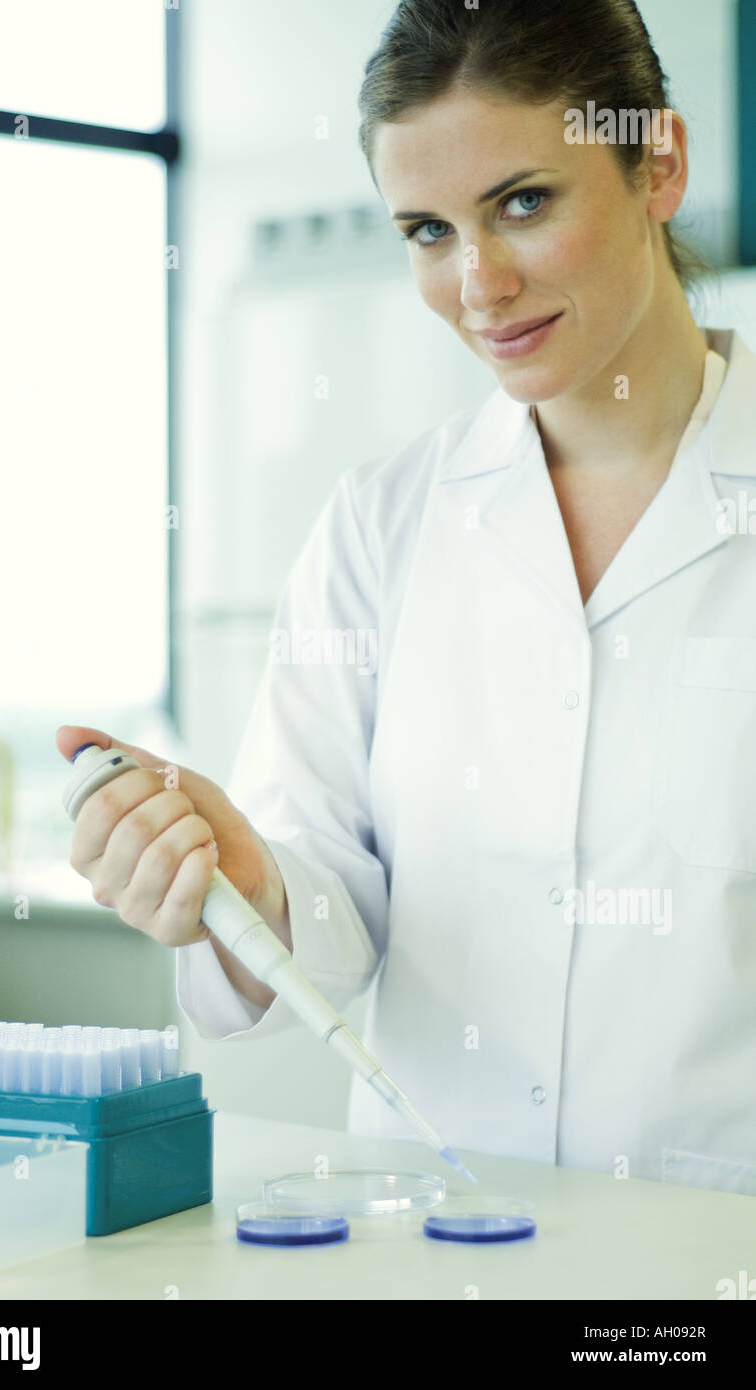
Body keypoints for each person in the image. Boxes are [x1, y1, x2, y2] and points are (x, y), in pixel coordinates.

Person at [57, 0, 756, 1194]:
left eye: (523, 202)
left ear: (661, 163)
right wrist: (250, 873)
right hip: (443, 1246)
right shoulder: (382, 525)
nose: (478, 282)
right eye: (428, 230)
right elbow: (321, 917)